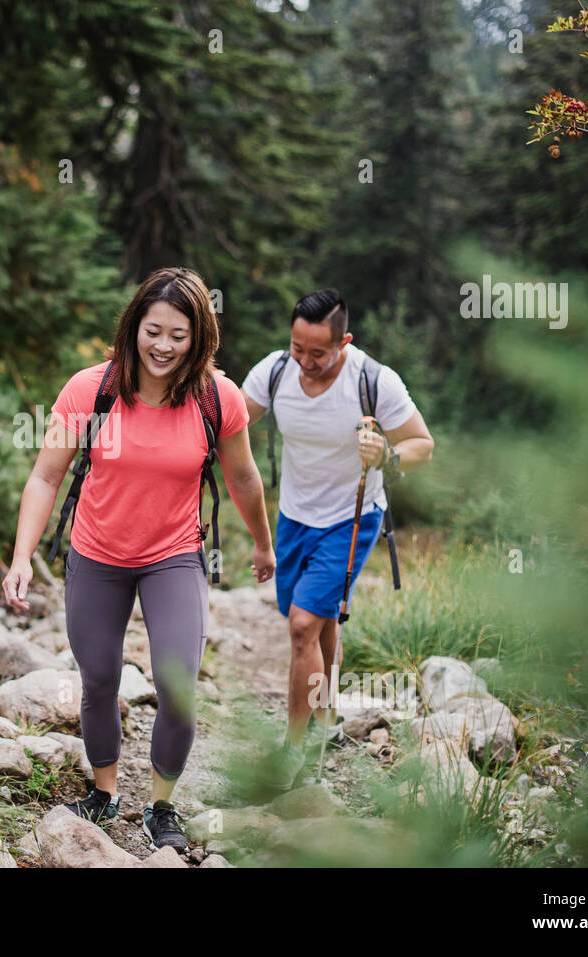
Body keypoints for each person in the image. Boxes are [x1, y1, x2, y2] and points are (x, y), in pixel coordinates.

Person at [1, 266, 275, 852]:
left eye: (179, 335)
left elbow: (244, 478)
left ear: (199, 338)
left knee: (178, 684)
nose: (164, 346)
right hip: (96, 552)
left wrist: (262, 542)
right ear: (133, 327)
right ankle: (104, 792)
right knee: (99, 679)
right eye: (154, 331)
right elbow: (46, 476)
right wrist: (22, 556)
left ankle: (160, 806)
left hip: (174, 555)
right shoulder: (90, 390)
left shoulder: (217, 398)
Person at [241, 288, 435, 789]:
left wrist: (388, 457)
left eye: (317, 353)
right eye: (297, 348)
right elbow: (233, 417)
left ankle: (293, 748)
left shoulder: (374, 381)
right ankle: (325, 713)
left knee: (303, 625)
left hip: (352, 518)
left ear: (343, 341)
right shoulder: (276, 371)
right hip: (293, 517)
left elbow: (422, 446)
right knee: (316, 619)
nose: (304, 362)